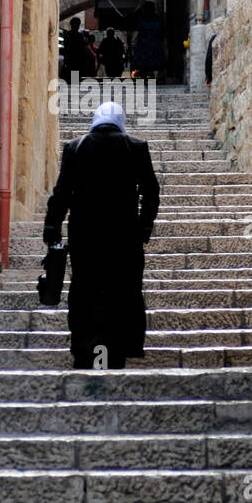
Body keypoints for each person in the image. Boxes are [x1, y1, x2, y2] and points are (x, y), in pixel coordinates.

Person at [43, 100, 160, 370]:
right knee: (124, 288)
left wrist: (52, 228)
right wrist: (144, 227)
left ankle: (86, 349)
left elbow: (61, 194)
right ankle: (119, 348)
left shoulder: (75, 147)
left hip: (85, 235)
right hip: (125, 236)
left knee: (85, 288)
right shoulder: (136, 147)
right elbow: (151, 192)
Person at [131, 1, 165, 81]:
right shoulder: (158, 19)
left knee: (143, 62)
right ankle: (155, 77)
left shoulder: (142, 19)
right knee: (156, 61)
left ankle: (144, 78)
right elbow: (163, 31)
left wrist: (133, 41)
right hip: (156, 43)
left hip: (144, 43)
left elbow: (137, 31)